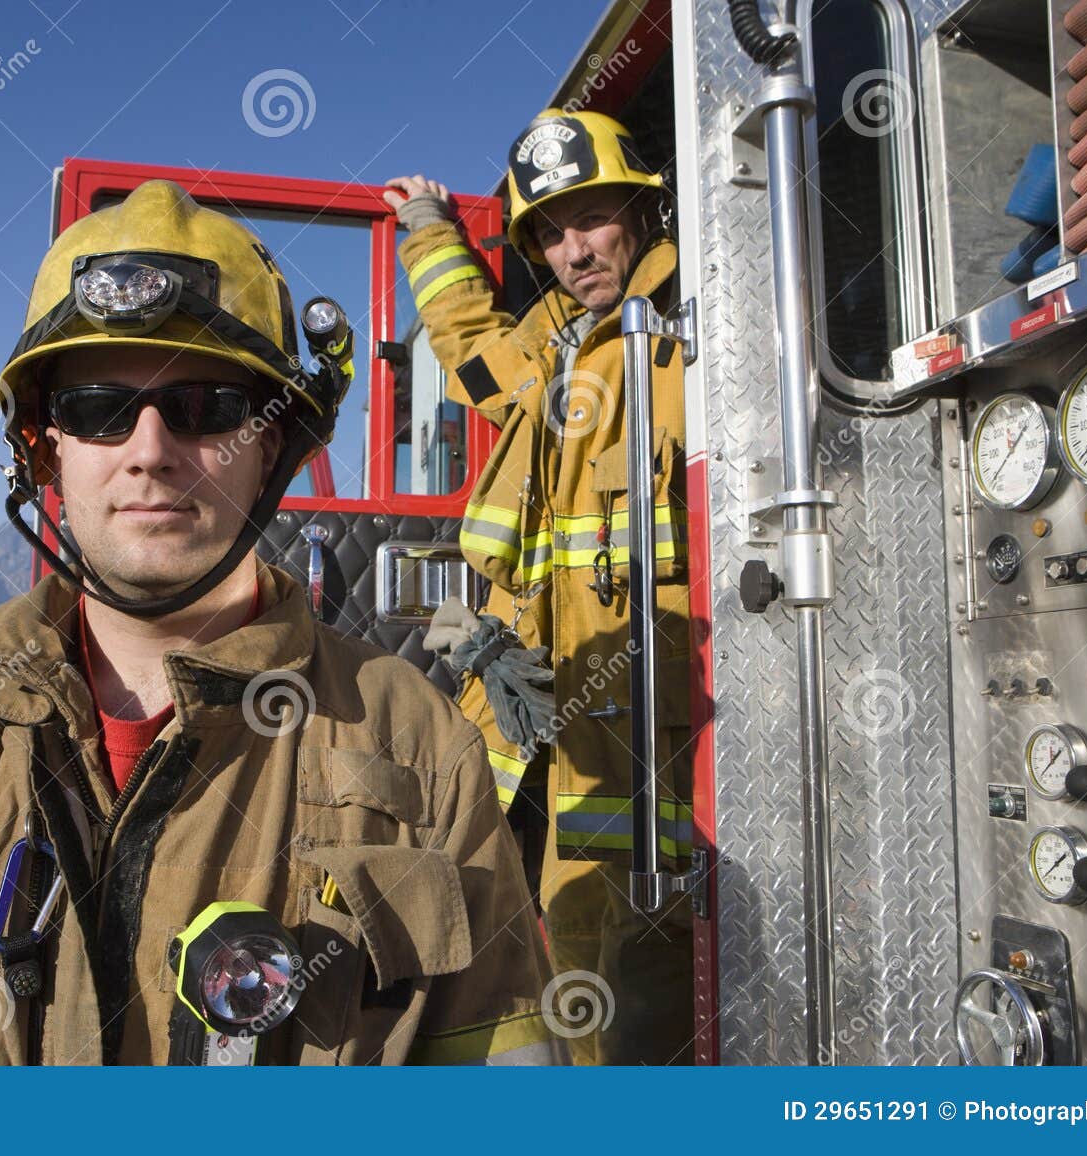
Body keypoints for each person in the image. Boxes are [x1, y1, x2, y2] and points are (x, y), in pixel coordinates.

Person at [0, 180, 561, 1067]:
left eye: (208, 408)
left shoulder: (421, 749)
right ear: (43, 445)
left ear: (272, 444)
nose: (151, 450)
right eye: (99, 408)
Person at [385, 109, 696, 1065]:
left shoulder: (694, 330)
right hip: (544, 705)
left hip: (648, 719)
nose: (573, 249)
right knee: (550, 931)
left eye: (591, 217)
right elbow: (473, 350)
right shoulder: (557, 339)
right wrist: (433, 233)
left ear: (642, 212)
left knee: (634, 956)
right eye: (550, 234)